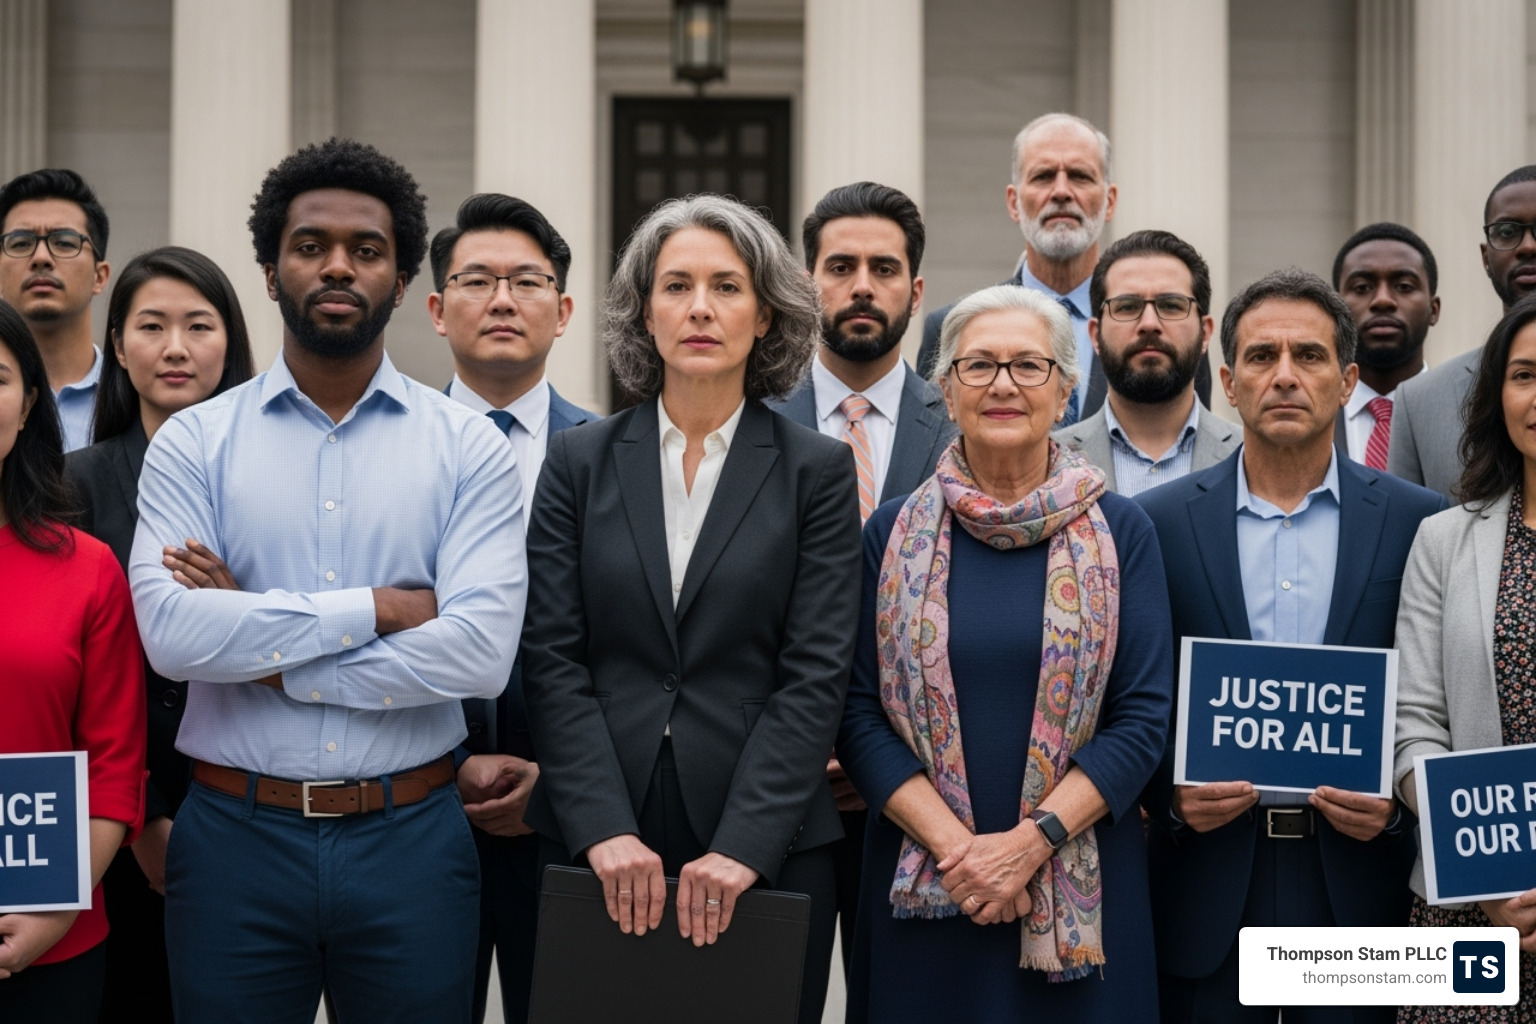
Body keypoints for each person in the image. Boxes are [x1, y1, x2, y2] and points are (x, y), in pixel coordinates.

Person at [127, 139, 525, 1024]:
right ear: (271, 272)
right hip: (233, 840)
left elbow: (481, 655)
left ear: (399, 277)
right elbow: (175, 637)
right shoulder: (194, 443)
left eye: (367, 249)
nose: (338, 265)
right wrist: (383, 607)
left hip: (412, 841)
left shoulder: (467, 450)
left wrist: (263, 648)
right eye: (310, 246)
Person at [521, 193, 860, 1024]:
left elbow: (815, 673)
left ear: (768, 315)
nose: (700, 308)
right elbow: (552, 657)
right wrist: (601, 826)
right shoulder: (578, 462)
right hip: (598, 831)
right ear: (644, 311)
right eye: (676, 285)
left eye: (727, 285)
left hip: (766, 839)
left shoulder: (817, 471)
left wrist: (743, 847)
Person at [837, 283, 1174, 1022]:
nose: (1002, 385)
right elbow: (857, 716)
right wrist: (966, 856)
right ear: (946, 392)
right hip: (926, 889)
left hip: (1080, 888)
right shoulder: (889, 534)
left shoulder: (1123, 533)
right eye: (978, 366)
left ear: (1065, 394)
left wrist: (1028, 845)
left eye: (1028, 366)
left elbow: (1144, 719)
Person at [1138, 269, 1445, 1024]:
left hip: (1358, 884)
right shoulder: (1155, 522)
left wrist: (1402, 818)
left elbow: (1439, 698)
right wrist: (1170, 803)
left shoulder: (1422, 524)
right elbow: (1133, 697)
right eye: (1261, 356)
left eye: (1308, 357)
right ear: (1228, 382)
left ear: (1346, 382)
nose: (1284, 376)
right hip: (1206, 884)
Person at [63, 246, 256, 1023]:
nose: (175, 348)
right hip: (110, 819)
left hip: (250, 809)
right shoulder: (72, 485)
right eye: (151, 326)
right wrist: (138, 817)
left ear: (230, 343)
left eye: (198, 326)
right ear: (116, 345)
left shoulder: (270, 477)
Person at [770, 181, 956, 974]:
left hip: (930, 796)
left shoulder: (961, 425)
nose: (861, 285)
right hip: (778, 792)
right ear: (806, 282)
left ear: (915, 291)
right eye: (839, 265)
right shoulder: (749, 422)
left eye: (884, 268)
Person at [427, 192, 598, 1024]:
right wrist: (439, 763)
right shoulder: (390, 451)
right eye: (478, 280)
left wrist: (559, 785)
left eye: (526, 282)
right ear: (435, 308)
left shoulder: (612, 457)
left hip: (571, 825)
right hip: (414, 815)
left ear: (563, 311)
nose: (501, 300)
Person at [0, 299, 146, 1023]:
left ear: (28, 404)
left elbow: (115, 765)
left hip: (53, 934)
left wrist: (57, 909)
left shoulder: (86, 567)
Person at [1392, 295, 1536, 1021]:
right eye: (1524, 375)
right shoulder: (1443, 541)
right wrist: (1485, 866)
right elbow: (1413, 727)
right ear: (1497, 397)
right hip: (1469, 906)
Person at [1390, 166, 1536, 499]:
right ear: (1486, 257)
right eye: (1507, 231)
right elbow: (1407, 543)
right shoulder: (1419, 401)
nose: (1527, 246)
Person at [1056, 229, 1237, 495]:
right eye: (1127, 306)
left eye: (1171, 305)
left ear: (1205, 333)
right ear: (1095, 335)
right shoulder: (1048, 460)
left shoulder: (1250, 456)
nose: (1150, 324)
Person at [0, 169, 112, 451]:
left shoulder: (135, 395)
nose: (41, 258)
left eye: (64, 243)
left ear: (100, 276)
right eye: (21, 243)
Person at [1330, 223, 1439, 469]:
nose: (1382, 300)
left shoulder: (1471, 416)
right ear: (1335, 311)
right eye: (1362, 288)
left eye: (1404, 286)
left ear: (1434, 310)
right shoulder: (1308, 417)